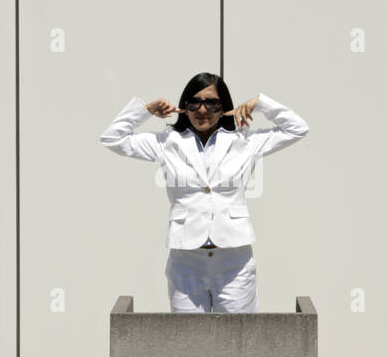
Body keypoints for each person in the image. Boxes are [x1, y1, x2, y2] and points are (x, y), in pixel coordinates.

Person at [100, 72, 308, 312]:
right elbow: (112, 138)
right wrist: (146, 111)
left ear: (224, 108)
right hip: (186, 263)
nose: (202, 109)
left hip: (234, 262)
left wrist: (260, 103)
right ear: (184, 107)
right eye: (194, 102)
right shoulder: (167, 142)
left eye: (211, 102)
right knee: (189, 344)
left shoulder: (244, 141)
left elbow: (298, 129)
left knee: (237, 343)